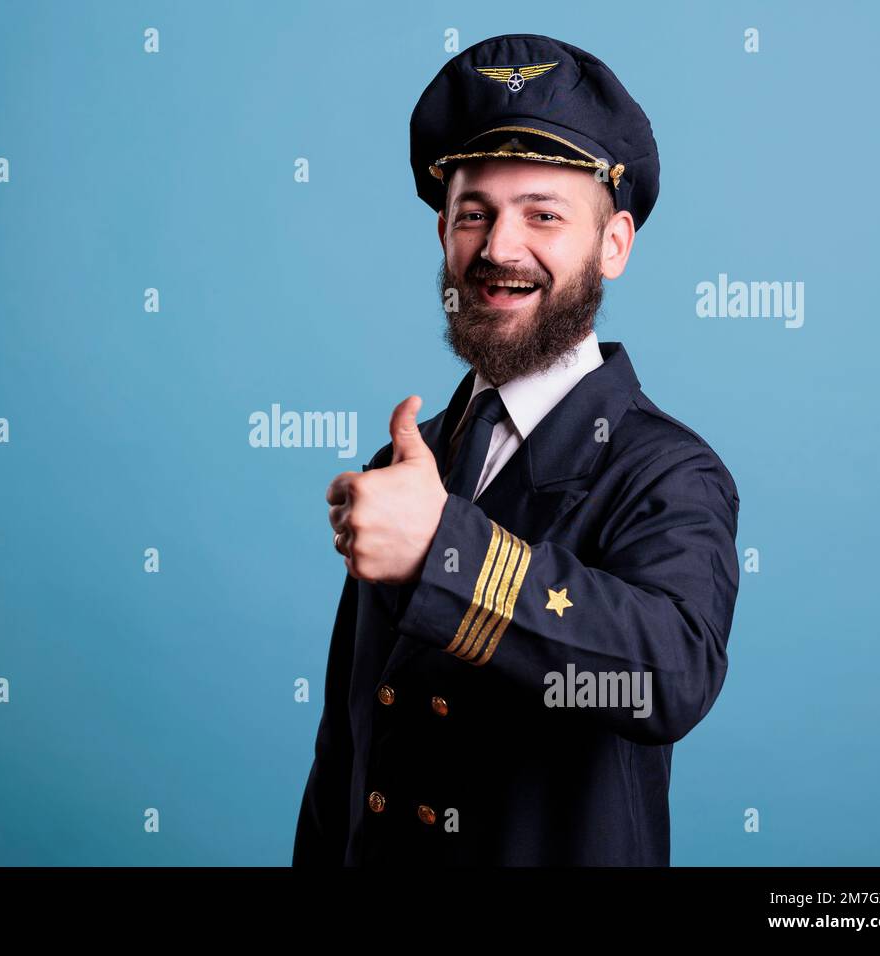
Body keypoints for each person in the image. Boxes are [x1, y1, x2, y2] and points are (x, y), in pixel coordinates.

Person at [293, 33, 740, 866]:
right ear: (444, 235)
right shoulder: (408, 458)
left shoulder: (668, 469)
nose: (499, 249)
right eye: (475, 213)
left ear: (614, 245)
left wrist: (442, 550)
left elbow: (666, 678)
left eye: (542, 213)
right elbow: (345, 754)